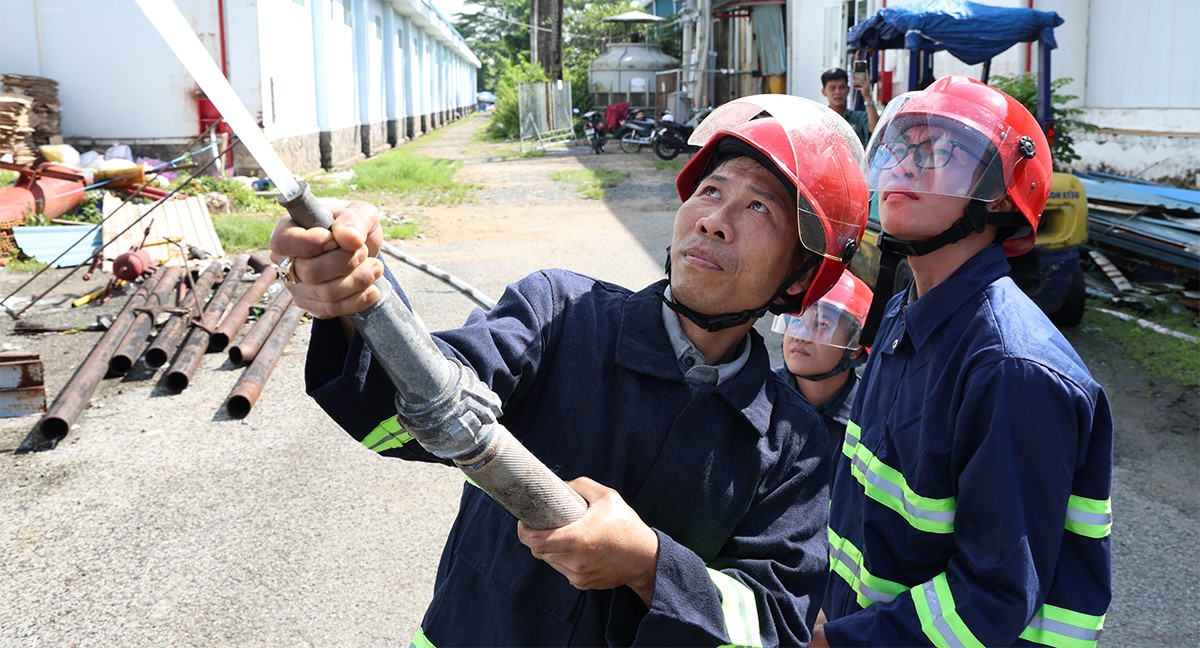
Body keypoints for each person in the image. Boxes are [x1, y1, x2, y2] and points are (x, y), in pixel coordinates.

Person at [269, 95, 870, 647]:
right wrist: (359, 299)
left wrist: (649, 566)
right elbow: (413, 405)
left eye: (758, 206)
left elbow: (774, 622)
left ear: (799, 277)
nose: (714, 219)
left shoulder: (794, 446)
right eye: (710, 190)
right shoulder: (558, 315)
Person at [812, 76, 1112, 647]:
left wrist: (841, 641)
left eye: (939, 153)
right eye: (899, 148)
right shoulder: (906, 310)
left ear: (1001, 195)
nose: (903, 166)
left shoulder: (1010, 367)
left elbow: (993, 594)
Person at [771, 270, 872, 469]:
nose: (800, 336)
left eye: (822, 324)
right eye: (797, 320)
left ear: (855, 347)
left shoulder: (871, 416)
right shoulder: (758, 396)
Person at [820, 67, 879, 146]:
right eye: (832, 88)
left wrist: (867, 97)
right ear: (824, 92)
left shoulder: (859, 118)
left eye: (842, 87)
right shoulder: (819, 121)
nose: (837, 92)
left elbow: (876, 130)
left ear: (848, 90)